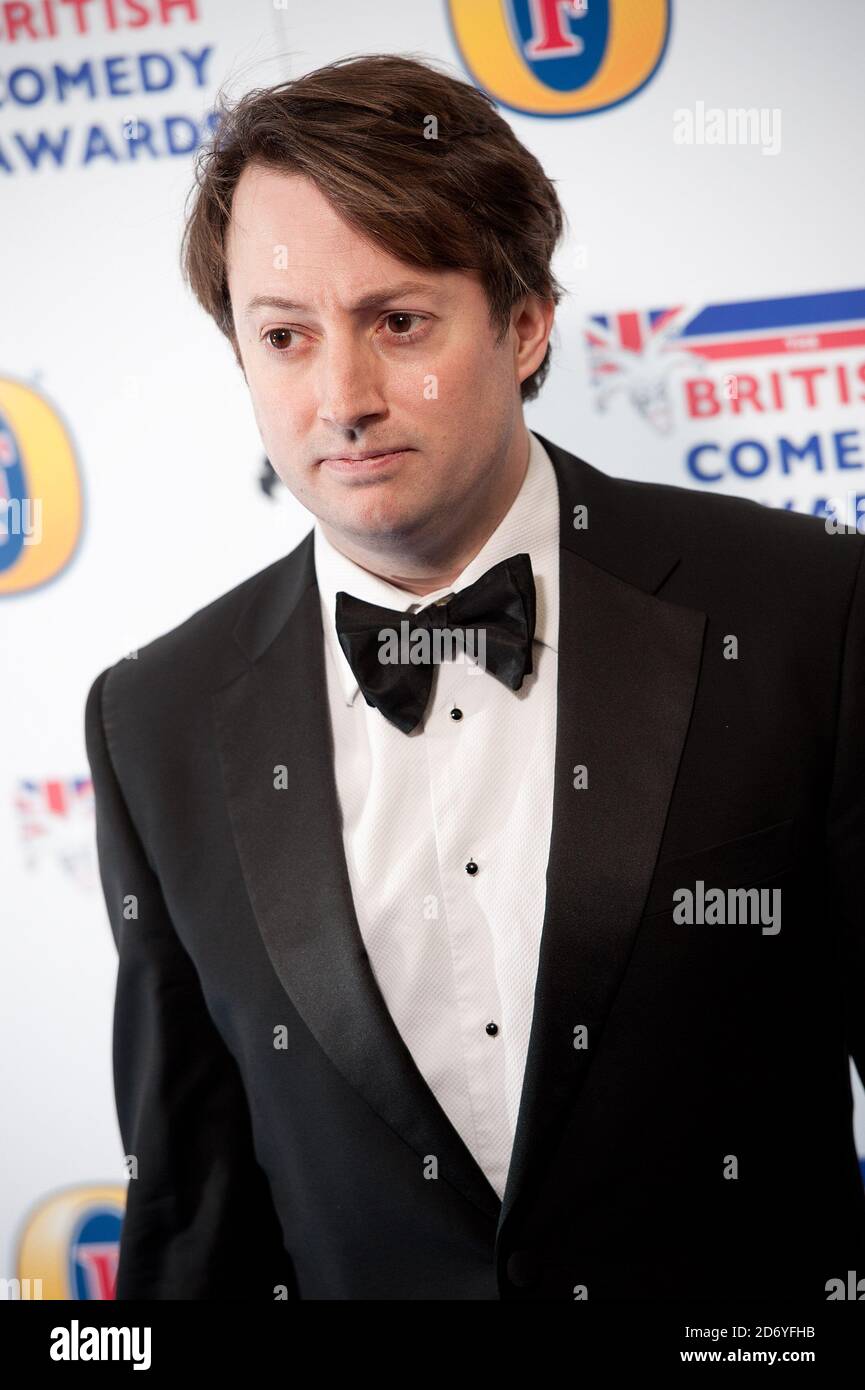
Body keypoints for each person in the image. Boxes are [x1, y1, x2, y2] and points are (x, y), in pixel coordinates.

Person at [85, 52, 865, 1301]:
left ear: (524, 319)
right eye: (284, 337)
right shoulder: (154, 720)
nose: (340, 397)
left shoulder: (803, 612)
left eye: (397, 323)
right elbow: (194, 1206)